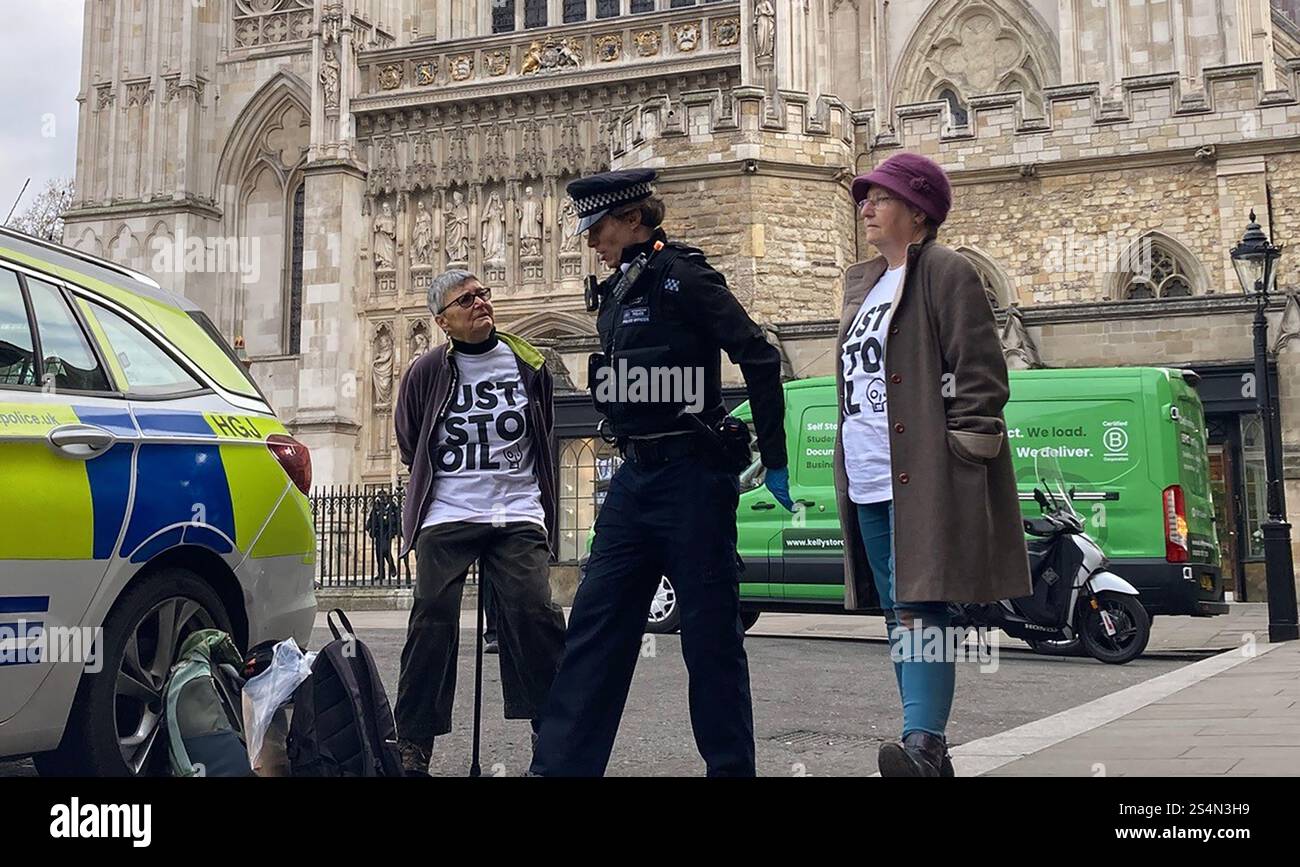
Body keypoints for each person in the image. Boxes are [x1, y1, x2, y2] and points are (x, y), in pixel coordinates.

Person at [529, 168, 794, 777]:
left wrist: (773, 457)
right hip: (635, 479)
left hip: (692, 479)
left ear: (631, 219)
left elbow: (758, 354)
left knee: (710, 641)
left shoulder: (686, 277)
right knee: (595, 627)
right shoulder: (620, 290)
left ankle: (730, 770)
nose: (590, 241)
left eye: (597, 228)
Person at [836, 153, 1031, 777]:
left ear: (917, 212)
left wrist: (964, 449)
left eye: (881, 198)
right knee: (900, 608)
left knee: (923, 605)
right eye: (864, 197)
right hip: (866, 473)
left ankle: (921, 742)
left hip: (924, 471)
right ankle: (929, 751)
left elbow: (979, 373)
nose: (866, 207)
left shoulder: (946, 272)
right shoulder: (864, 283)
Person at [392, 269, 567, 775]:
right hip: (448, 510)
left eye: (482, 295)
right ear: (443, 321)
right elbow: (409, 440)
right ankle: (413, 742)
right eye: (465, 300)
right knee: (431, 617)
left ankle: (551, 731)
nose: (479, 303)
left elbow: (545, 430)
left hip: (516, 510)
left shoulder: (528, 363)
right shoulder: (425, 371)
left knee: (533, 611)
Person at [366, 491, 400, 584]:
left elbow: (397, 518)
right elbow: (371, 518)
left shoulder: (391, 505)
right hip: (378, 532)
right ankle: (381, 573)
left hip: (387, 531)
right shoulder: (376, 506)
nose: (382, 498)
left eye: (383, 496)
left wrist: (395, 529)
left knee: (385, 550)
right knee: (378, 553)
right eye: (380, 497)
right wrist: (369, 528)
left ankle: (392, 567)